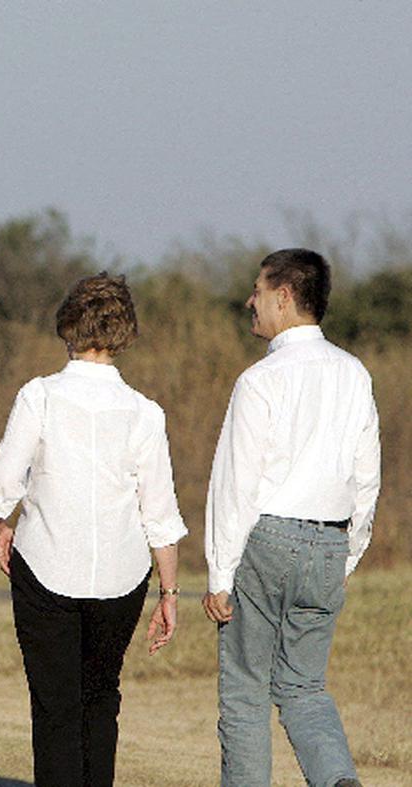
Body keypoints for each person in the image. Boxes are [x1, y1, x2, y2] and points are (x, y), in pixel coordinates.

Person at [0, 272, 186, 787]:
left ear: (69, 325)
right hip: (123, 576)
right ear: (124, 333)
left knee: (54, 708)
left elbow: (7, 477)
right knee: (101, 699)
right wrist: (169, 591)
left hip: (46, 566)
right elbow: (159, 510)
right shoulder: (145, 412)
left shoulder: (40, 396)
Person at [203, 249, 378, 787]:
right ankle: (336, 780)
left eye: (257, 290)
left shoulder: (260, 379)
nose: (250, 300)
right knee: (304, 687)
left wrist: (218, 574)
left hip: (267, 540)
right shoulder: (355, 373)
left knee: (246, 691)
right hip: (330, 541)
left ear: (284, 297)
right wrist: (348, 553)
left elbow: (235, 486)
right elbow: (366, 475)